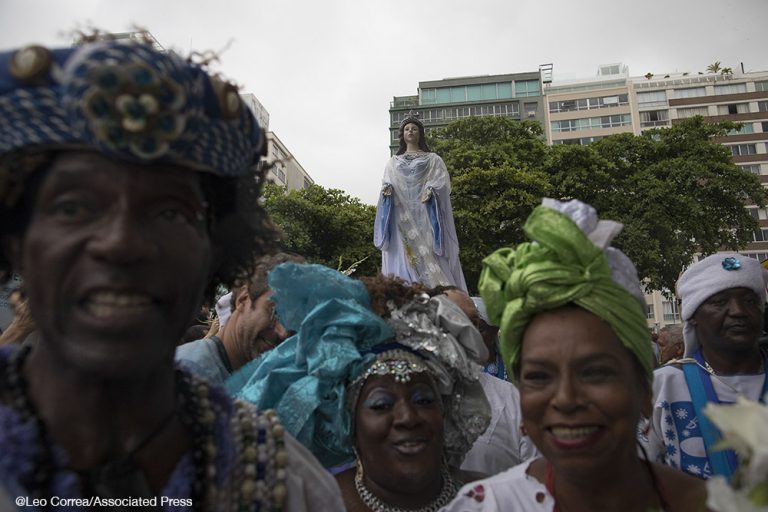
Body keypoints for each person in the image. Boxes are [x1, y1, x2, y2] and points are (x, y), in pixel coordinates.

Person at [0, 38, 342, 510]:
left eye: (169, 213)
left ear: (214, 255)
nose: (121, 243)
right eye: (73, 206)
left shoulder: (287, 484)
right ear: (16, 242)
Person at [444, 198, 707, 511]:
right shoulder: (481, 506)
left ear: (644, 387)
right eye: (539, 377)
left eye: (595, 372)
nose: (566, 399)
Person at [228, 263, 491, 511]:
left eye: (423, 400)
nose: (408, 418)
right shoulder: (317, 505)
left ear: (445, 411)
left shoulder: (494, 498)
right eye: (381, 405)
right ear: (348, 424)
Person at [642, 253, 768, 481]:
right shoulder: (663, 385)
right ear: (693, 317)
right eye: (719, 302)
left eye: (749, 301)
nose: (738, 310)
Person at [441, 288, 538, 476]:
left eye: (475, 323)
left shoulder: (515, 401)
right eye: (452, 319)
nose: (468, 331)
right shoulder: (405, 404)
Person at [176, 252, 302, 385]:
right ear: (243, 299)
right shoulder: (185, 376)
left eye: (294, 322)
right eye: (275, 313)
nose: (283, 332)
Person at [373, 112, 467, 291]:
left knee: (429, 249)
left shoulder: (433, 159)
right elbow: (387, 183)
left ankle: (437, 290)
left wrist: (432, 189)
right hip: (401, 214)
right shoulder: (393, 162)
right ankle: (404, 289)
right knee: (403, 252)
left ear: (420, 133)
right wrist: (387, 190)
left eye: (414, 129)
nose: (410, 131)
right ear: (402, 135)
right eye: (407, 129)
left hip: (425, 212)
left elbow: (441, 181)